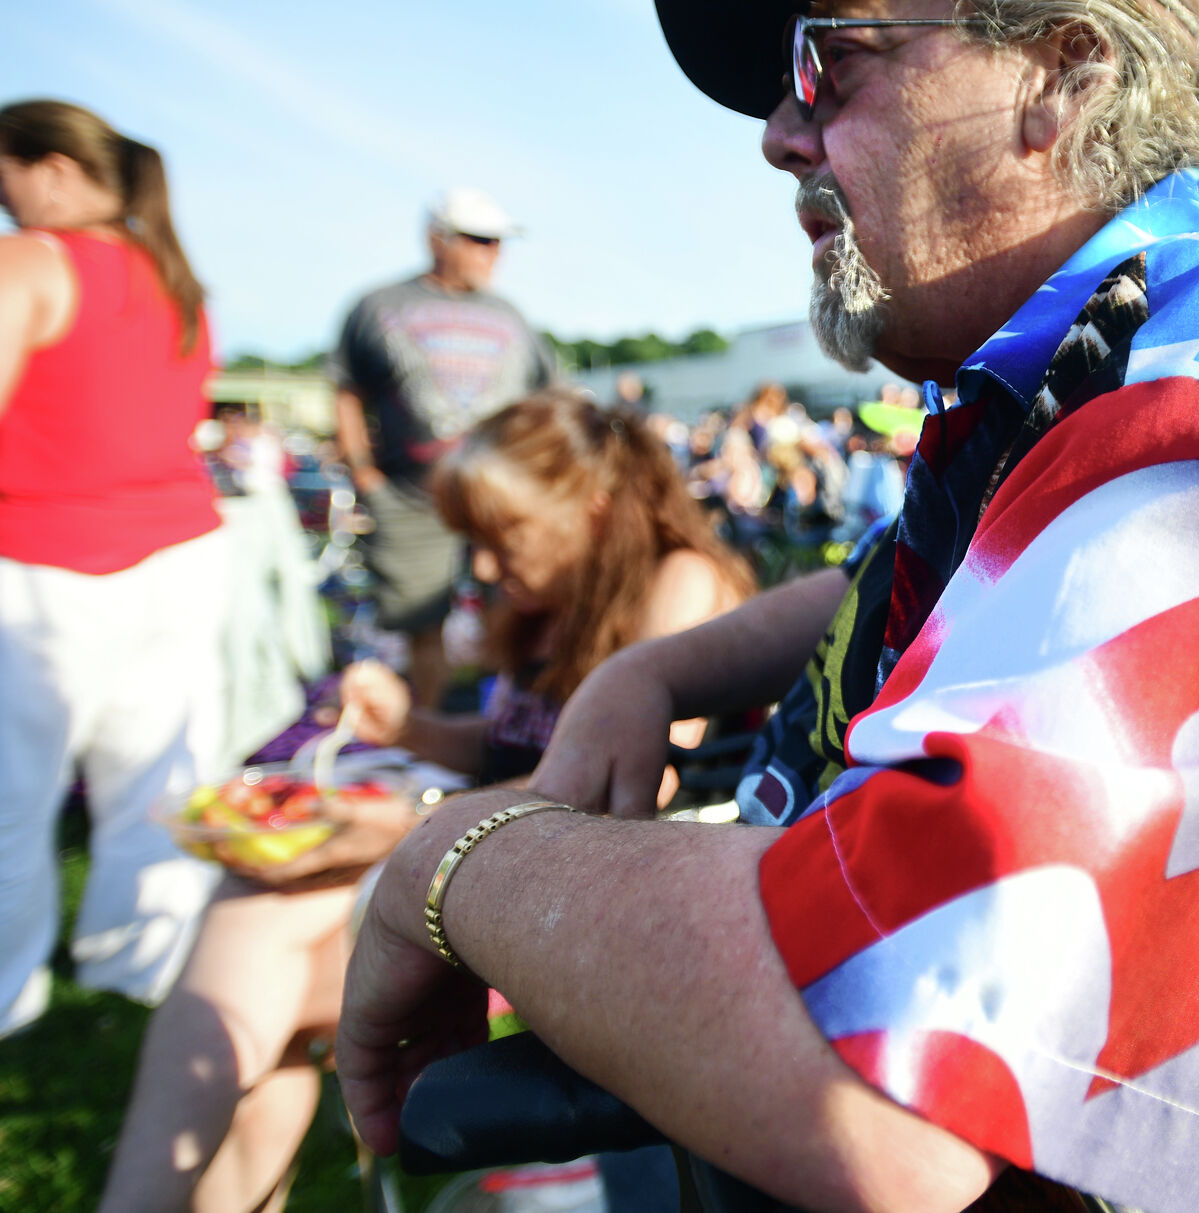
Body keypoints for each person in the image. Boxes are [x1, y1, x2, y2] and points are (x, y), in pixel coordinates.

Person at [337, 0, 1199, 1211]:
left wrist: (449, 860)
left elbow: (876, 1082)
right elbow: (897, 583)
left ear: (1061, 74)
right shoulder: (1097, 353)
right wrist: (652, 672)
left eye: (830, 63)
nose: (779, 130)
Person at [97, 391, 753, 1213]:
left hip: (599, 895)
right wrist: (407, 723)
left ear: (591, 512)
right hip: (504, 857)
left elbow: (636, 783)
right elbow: (507, 744)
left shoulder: (680, 580)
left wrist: (407, 824)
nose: (482, 567)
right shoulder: (551, 604)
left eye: (499, 538)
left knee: (257, 943)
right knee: (268, 993)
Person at [0, 99, 230, 1039]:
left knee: (15, 797)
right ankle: (140, 968)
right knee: (158, 784)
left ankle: (11, 993)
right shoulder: (175, 276)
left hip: (47, 561)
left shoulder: (32, 259)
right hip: (182, 551)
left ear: (52, 171)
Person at [329, 187, 554, 708]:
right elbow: (346, 390)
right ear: (438, 240)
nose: (492, 254)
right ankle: (429, 733)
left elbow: (547, 398)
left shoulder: (511, 315)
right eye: (478, 241)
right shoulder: (379, 305)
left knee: (515, 611)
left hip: (500, 495)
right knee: (418, 623)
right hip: (411, 496)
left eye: (498, 243)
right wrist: (366, 475)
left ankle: (504, 726)